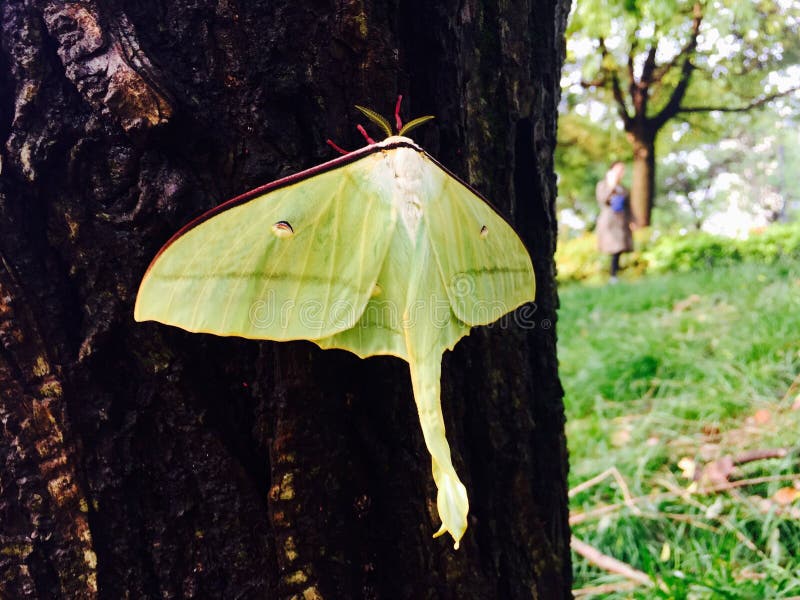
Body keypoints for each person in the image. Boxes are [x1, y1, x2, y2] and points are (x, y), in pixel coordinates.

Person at [595, 161, 633, 282]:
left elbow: (628, 207)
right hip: (609, 222)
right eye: (618, 169)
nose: (621, 173)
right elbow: (602, 200)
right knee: (613, 248)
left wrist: (631, 221)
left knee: (619, 248)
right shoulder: (603, 185)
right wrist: (611, 186)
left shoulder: (623, 189)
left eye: (622, 170)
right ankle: (612, 275)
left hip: (621, 222)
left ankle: (615, 275)